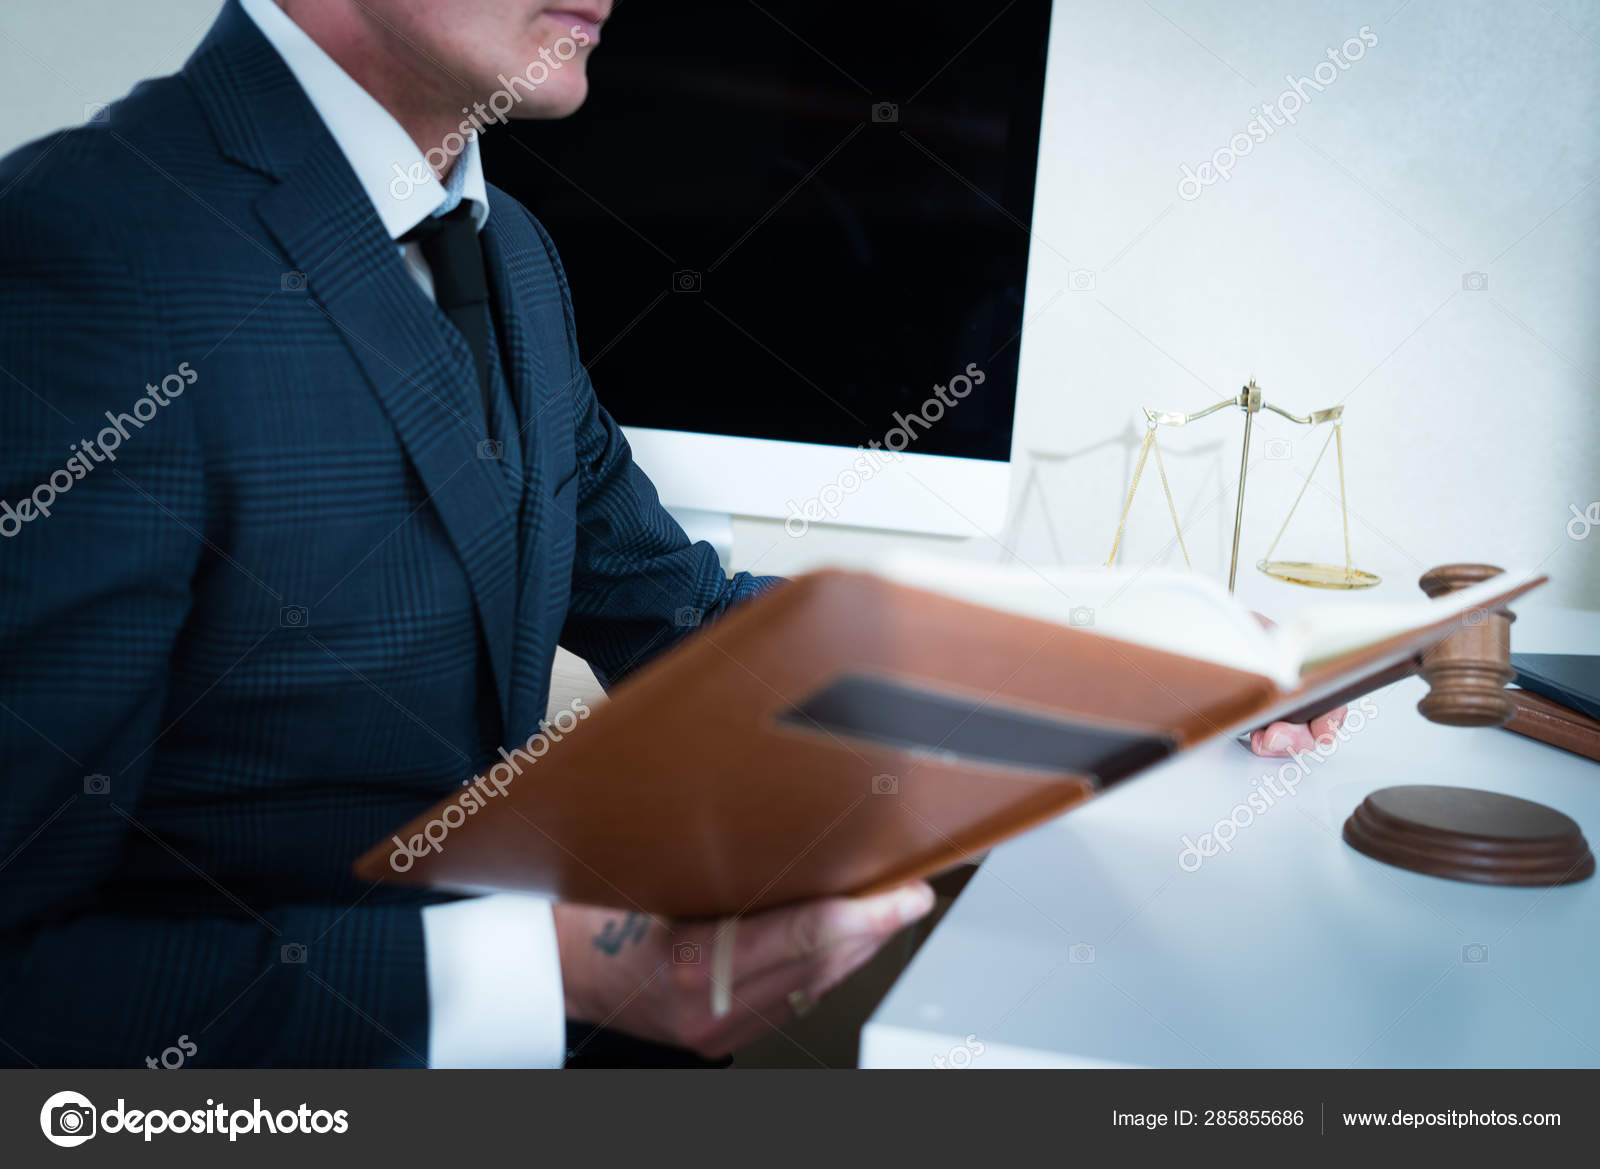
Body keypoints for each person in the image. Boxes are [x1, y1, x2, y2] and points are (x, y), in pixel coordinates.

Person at [0, 0, 1342, 1068]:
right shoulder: (81, 249)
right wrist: (549, 974)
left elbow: (689, 620)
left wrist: (1137, 685)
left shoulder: (508, 247)